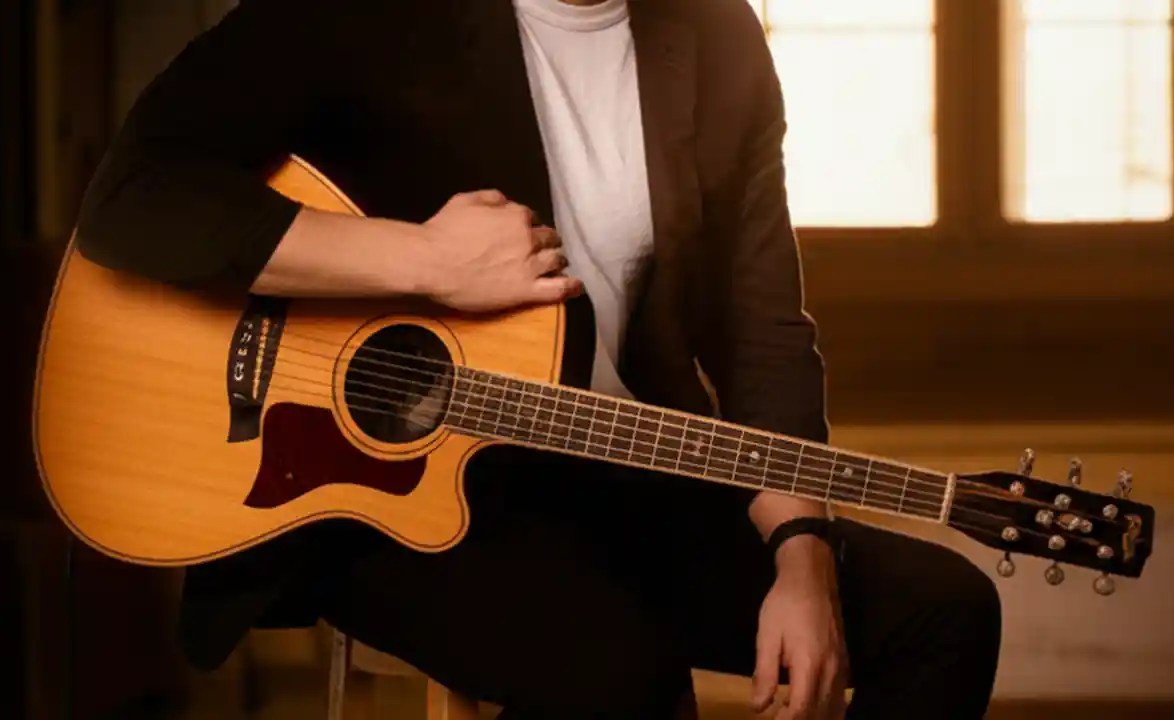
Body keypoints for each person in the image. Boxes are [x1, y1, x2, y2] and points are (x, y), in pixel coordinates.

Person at [74, 0, 1002, 717]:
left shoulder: (717, 36)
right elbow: (134, 202)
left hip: (611, 457)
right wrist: (423, 261)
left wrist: (803, 554)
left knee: (945, 611)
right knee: (619, 673)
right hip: (371, 482)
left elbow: (759, 330)